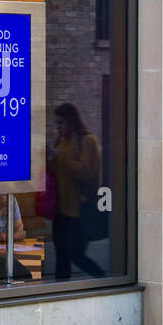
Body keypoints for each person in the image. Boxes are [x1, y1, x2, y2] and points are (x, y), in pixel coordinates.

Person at [46, 102, 103, 280]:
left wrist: (59, 156)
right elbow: (57, 170)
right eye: (56, 123)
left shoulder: (87, 140)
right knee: (61, 256)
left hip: (80, 209)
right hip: (60, 209)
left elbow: (86, 170)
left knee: (76, 256)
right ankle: (59, 294)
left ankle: (104, 281)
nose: (58, 127)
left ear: (71, 121)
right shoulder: (63, 141)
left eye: (61, 123)